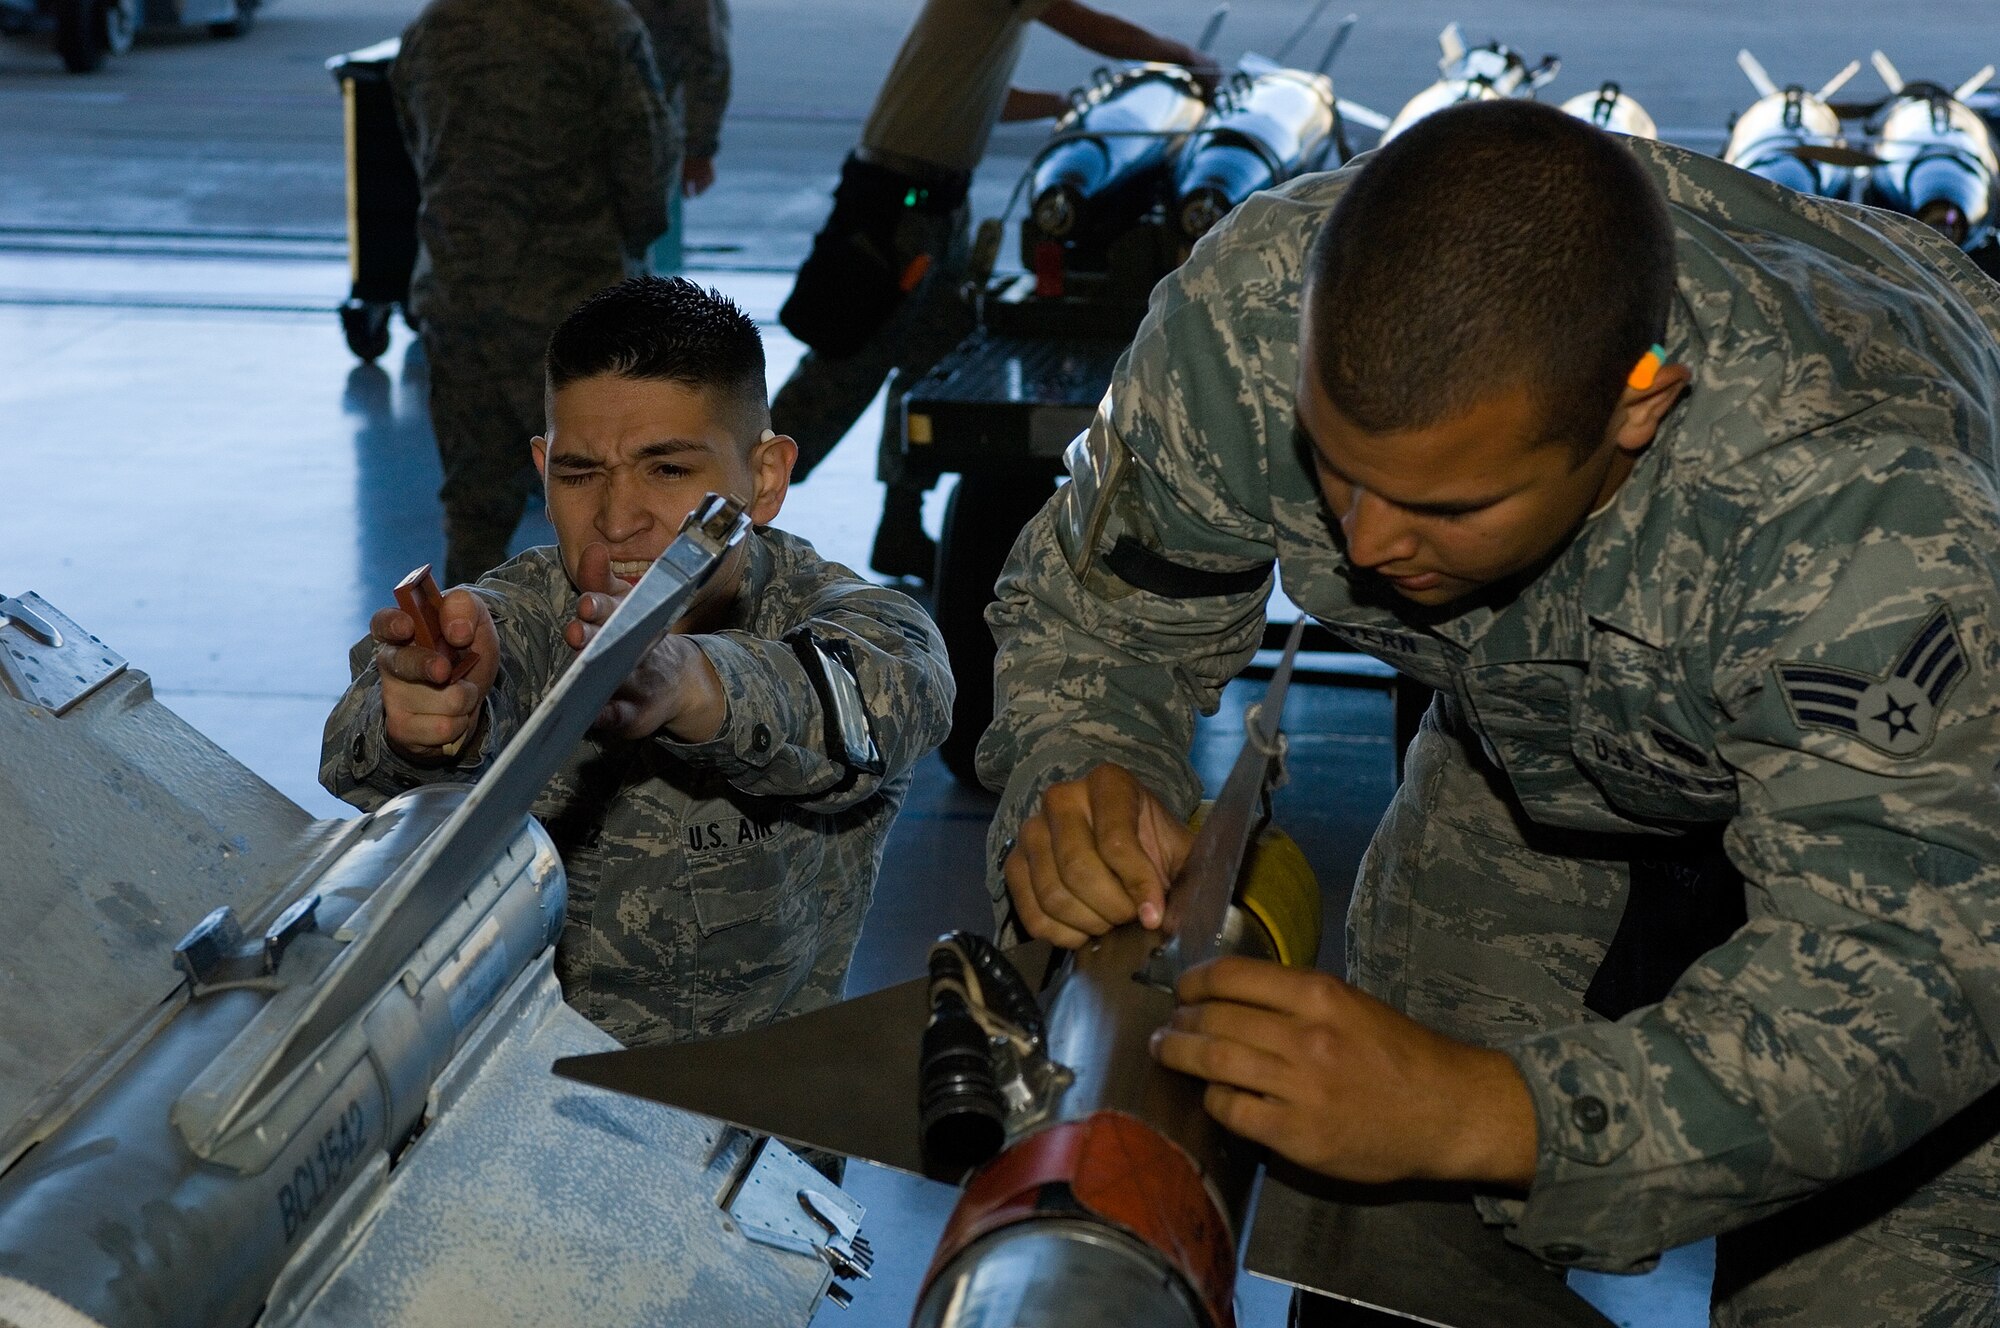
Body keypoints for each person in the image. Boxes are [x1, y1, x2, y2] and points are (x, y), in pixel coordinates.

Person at [984, 100, 2000, 1325]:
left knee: (1856, 1288)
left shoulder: (1866, 512)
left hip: (1922, 810)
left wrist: (1483, 1112)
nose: (1362, 543)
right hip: (1537, 744)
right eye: (1332, 467)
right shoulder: (1250, 321)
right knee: (1376, 1235)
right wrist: (1086, 769)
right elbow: (1096, 618)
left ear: (1634, 409)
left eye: (1446, 506)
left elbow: (1910, 979)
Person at [322, 276, 954, 1046]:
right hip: (524, 1122)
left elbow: (866, 704)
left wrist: (692, 681)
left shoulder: (853, 622)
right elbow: (357, 760)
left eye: (667, 470)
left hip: (750, 1135)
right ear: (542, 469)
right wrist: (422, 721)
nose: (618, 522)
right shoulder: (510, 619)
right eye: (580, 474)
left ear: (765, 478)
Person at [770, 0, 1217, 580]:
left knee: (931, 362)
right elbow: (1084, 23)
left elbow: (982, 99)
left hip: (933, 207)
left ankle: (900, 522)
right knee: (849, 364)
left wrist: (1064, 107)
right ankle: (734, 507)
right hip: (899, 211)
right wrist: (1181, 57)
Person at [392, 0, 679, 587]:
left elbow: (416, 144)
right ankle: (607, 668)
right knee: (609, 507)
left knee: (473, 505)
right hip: (575, 311)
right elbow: (644, 167)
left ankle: (475, 655)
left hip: (459, 295)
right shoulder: (600, 23)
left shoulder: (434, 27)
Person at [628, 0, 732, 199]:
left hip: (640, 137)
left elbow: (707, 59)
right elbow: (708, 58)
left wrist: (697, 148)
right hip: (640, 134)